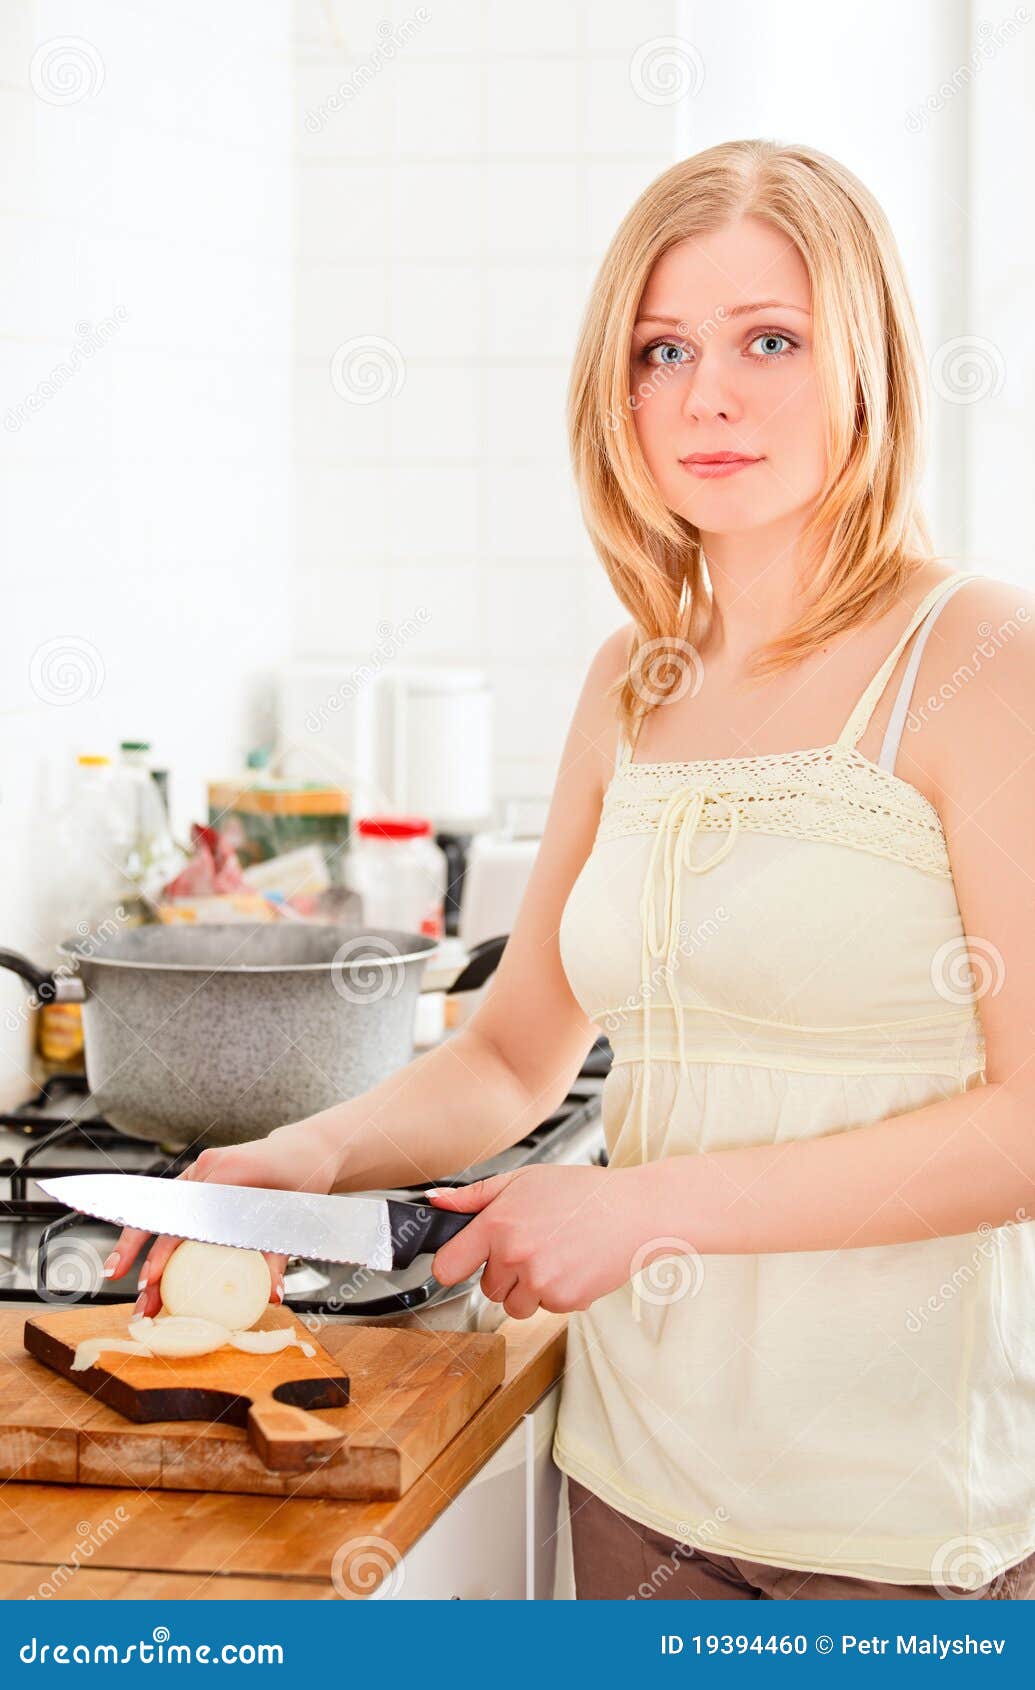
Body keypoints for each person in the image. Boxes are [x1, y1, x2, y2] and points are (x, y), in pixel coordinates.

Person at [107, 140, 1035, 1600]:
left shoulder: (980, 660)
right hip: (636, 1486)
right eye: (661, 349)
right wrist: (312, 1157)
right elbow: (511, 1054)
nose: (707, 395)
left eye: (769, 341)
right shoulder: (634, 678)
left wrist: (646, 1207)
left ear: (871, 361)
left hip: (914, 1529)